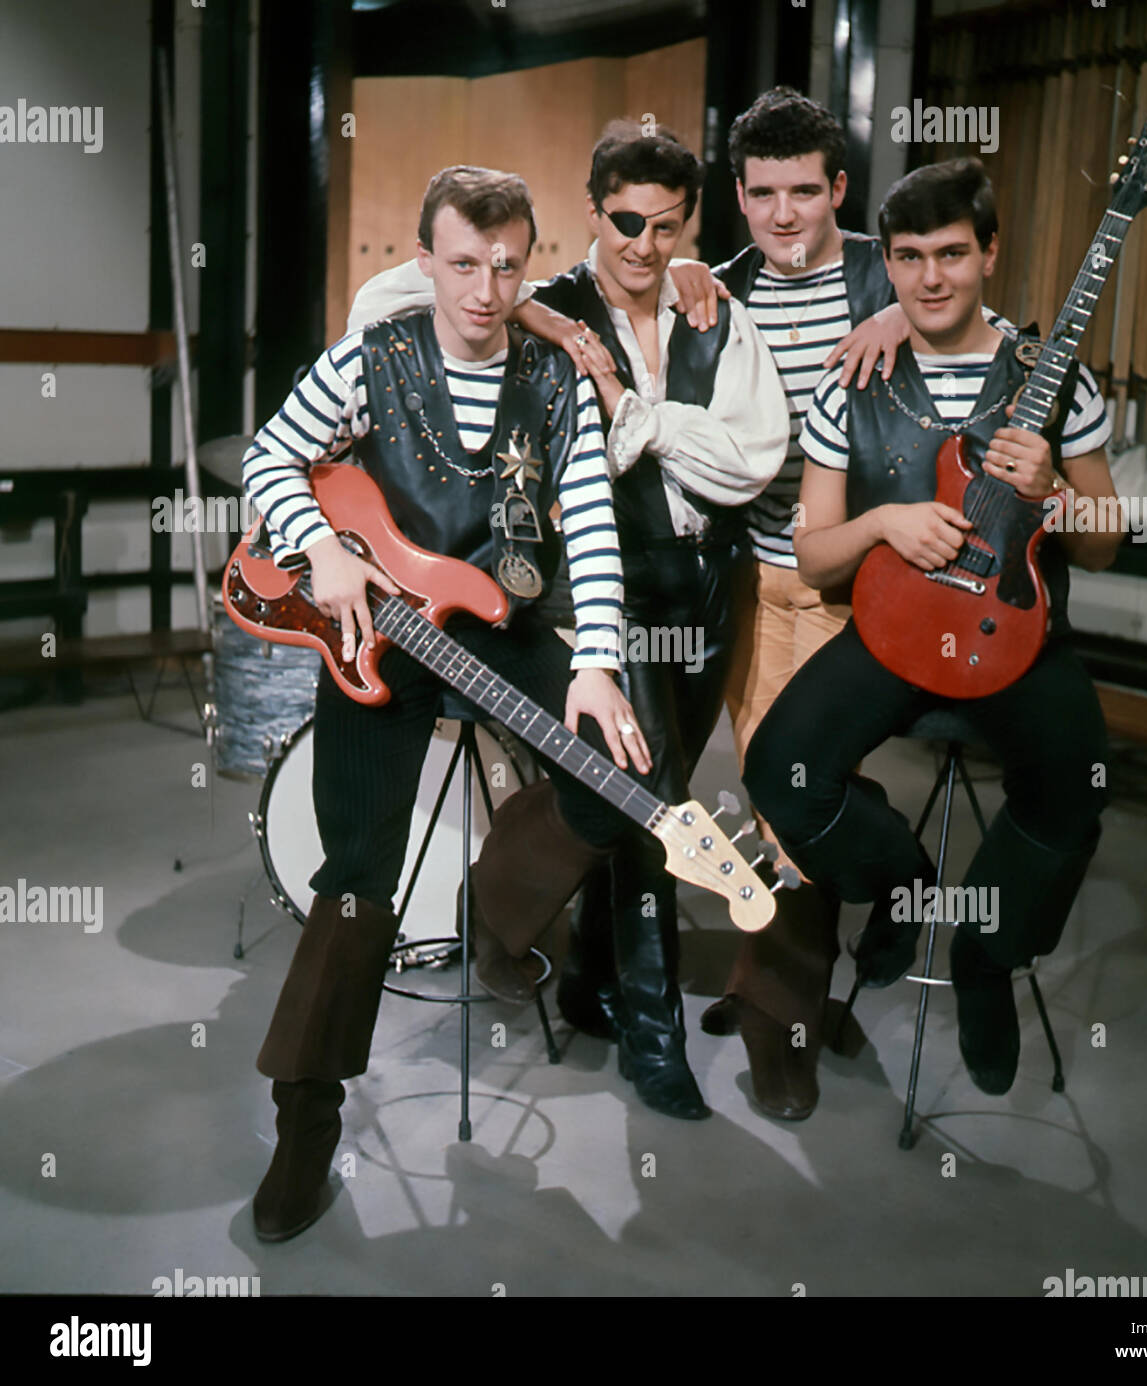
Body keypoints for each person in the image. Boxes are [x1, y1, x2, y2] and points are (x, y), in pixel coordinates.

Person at [240, 165, 654, 1241]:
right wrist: (319, 544)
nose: (484, 288)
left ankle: (492, 917)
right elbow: (267, 459)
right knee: (354, 880)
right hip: (379, 634)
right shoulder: (371, 360)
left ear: (528, 261)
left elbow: (592, 528)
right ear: (423, 260)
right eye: (463, 263)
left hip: (496, 629)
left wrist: (598, 660)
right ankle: (304, 1124)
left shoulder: (555, 383)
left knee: (616, 789)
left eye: (507, 265)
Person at [743, 156, 1119, 1101]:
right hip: (896, 630)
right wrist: (882, 524)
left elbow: (1111, 540)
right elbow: (817, 555)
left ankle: (988, 956)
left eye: (952, 253)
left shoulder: (1054, 377)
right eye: (908, 257)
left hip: (1021, 632)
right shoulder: (854, 381)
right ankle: (903, 882)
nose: (931, 278)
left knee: (1075, 793)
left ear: (990, 252)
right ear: (890, 263)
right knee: (778, 770)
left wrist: (1056, 494)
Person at [520, 121, 788, 1120]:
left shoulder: (712, 309)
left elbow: (754, 459)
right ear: (592, 211)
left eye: (664, 224)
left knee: (649, 795)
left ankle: (591, 980)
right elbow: (415, 295)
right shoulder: (547, 308)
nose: (641, 241)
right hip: (603, 589)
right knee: (656, 805)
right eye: (624, 219)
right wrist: (531, 313)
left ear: (688, 221)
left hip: (707, 589)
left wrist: (648, 426)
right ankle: (651, 1034)